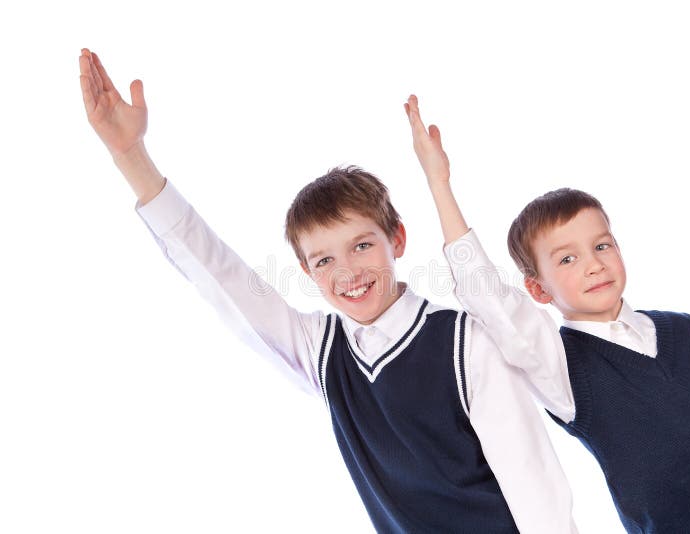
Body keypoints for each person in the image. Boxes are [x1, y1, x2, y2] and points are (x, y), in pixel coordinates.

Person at [79, 49, 578, 533]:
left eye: (361, 245)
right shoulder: (322, 348)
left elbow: (536, 488)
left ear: (397, 239)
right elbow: (219, 274)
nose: (348, 272)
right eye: (324, 260)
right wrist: (131, 156)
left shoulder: (465, 342)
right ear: (307, 271)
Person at [405, 94, 690, 533]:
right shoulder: (562, 369)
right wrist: (439, 183)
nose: (593, 264)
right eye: (567, 259)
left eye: (601, 245)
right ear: (538, 289)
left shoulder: (687, 332)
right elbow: (490, 299)